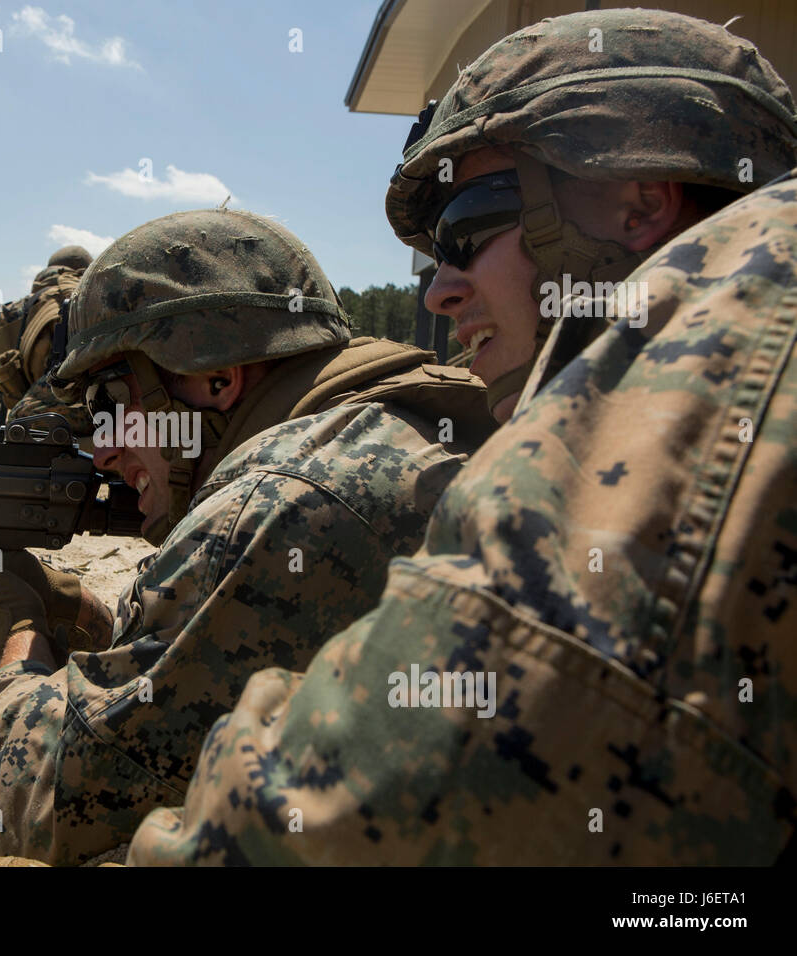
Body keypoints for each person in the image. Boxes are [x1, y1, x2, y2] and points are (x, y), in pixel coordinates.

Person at [126, 8, 797, 865]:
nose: (440, 292)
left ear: (638, 200)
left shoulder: (713, 378)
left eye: (467, 230)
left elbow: (283, 833)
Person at [0, 208, 497, 864]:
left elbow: (39, 810)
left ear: (216, 377)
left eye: (109, 404)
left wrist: (12, 648)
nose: (102, 450)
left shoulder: (281, 503)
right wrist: (89, 621)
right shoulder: (400, 425)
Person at [0, 245, 94, 433]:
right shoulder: (92, 297)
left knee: (19, 421)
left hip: (39, 415)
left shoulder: (22, 306)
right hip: (101, 411)